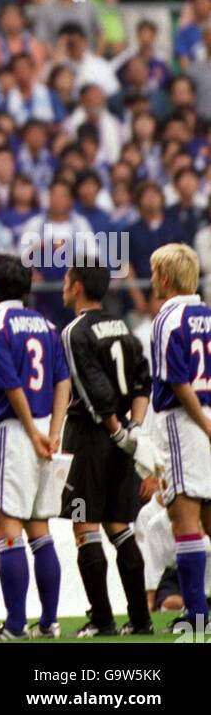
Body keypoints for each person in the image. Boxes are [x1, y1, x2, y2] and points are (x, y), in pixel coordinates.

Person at [0, 251, 70, 642]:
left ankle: (15, 626)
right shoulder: (47, 326)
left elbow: (9, 382)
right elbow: (62, 379)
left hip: (12, 434)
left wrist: (32, 430)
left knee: (8, 525)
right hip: (44, 436)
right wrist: (54, 429)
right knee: (40, 528)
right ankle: (48, 623)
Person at [60, 259, 153, 638]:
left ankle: (102, 621)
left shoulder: (74, 332)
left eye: (67, 281)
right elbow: (143, 383)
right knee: (120, 525)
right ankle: (142, 620)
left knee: (85, 526)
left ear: (77, 286)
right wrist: (133, 430)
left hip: (91, 440)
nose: (64, 287)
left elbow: (91, 389)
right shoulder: (124, 328)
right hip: (124, 439)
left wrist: (114, 429)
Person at [150, 242, 211, 630]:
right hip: (207, 413)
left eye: (156, 273)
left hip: (185, 424)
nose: (153, 279)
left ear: (166, 278)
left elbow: (177, 381)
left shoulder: (167, 318)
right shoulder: (207, 315)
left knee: (184, 519)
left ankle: (195, 616)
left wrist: (204, 426)